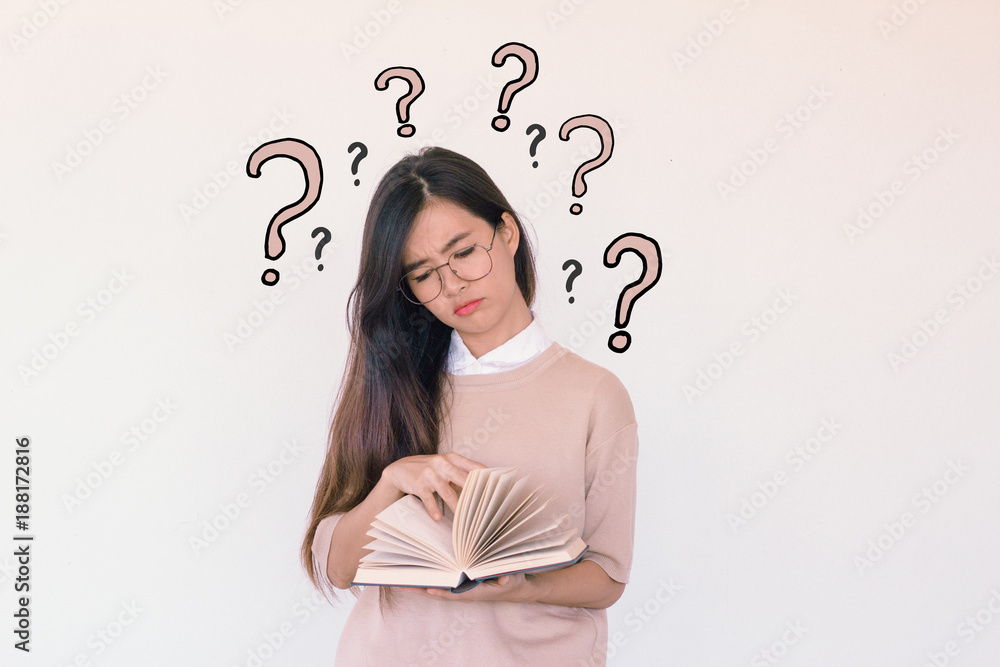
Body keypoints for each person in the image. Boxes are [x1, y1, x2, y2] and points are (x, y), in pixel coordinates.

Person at [300, 146, 639, 666]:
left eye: (463, 252)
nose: (452, 284)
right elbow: (339, 567)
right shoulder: (394, 385)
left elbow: (608, 576)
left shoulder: (594, 394)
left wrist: (520, 588)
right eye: (423, 273)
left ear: (506, 232)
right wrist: (392, 482)